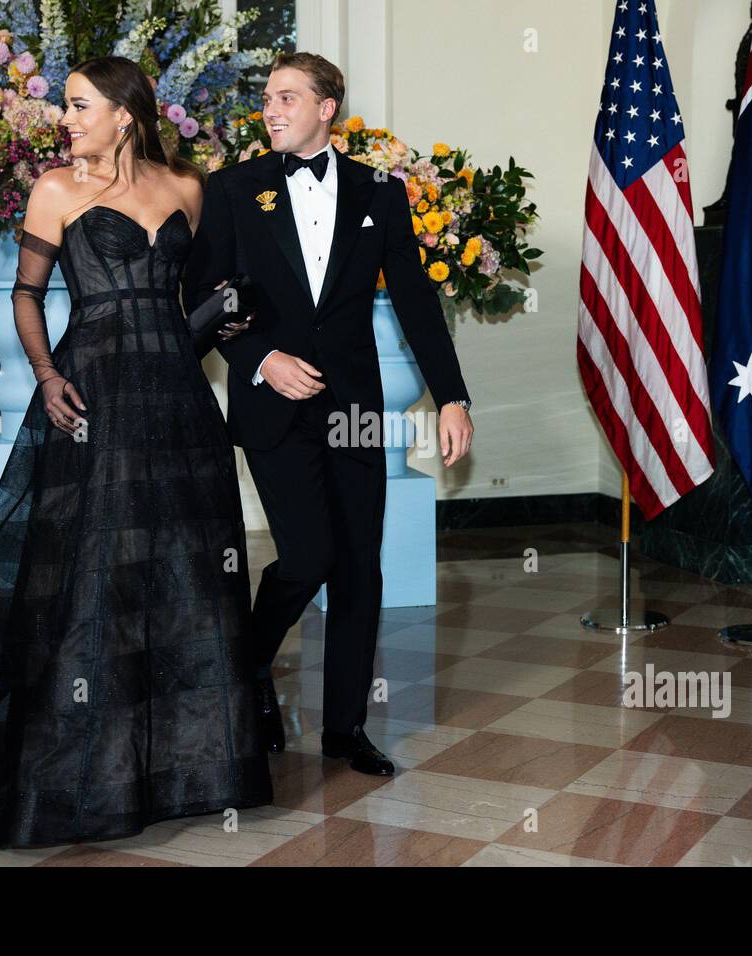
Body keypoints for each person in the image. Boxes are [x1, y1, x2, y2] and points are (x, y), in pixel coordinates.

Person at [0, 56, 273, 848]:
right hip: (94, 393)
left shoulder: (187, 185)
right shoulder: (56, 189)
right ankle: (83, 761)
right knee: (93, 571)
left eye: (80, 106)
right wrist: (47, 375)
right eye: (67, 106)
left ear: (125, 112)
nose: (66, 119)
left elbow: (205, 293)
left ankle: (194, 768)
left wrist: (229, 317)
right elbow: (24, 292)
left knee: (186, 565)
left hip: (180, 397)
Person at [183, 52, 473, 776]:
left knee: (359, 570)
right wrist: (259, 360)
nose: (271, 110)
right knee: (309, 556)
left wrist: (453, 394)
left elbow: (414, 298)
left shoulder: (382, 191)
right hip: (271, 405)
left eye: (286, 97)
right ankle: (246, 669)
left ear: (326, 107)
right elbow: (202, 300)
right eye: (267, 98)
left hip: (354, 410)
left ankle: (344, 727)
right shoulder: (231, 189)